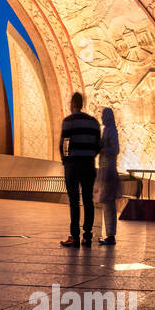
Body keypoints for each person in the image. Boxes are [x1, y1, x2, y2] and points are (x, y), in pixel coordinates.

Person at [58, 92, 100, 247]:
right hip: (88, 165)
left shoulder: (68, 121)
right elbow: (98, 145)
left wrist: (65, 160)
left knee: (74, 201)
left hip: (73, 165)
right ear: (82, 103)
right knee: (88, 200)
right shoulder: (93, 122)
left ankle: (74, 236)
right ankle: (87, 236)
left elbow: (63, 144)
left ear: (72, 104)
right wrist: (89, 156)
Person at [96, 108, 120, 245]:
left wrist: (103, 149)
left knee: (109, 204)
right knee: (107, 204)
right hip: (105, 170)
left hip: (109, 172)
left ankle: (111, 235)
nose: (102, 118)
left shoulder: (111, 131)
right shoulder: (107, 130)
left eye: (104, 116)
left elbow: (115, 149)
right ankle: (109, 234)